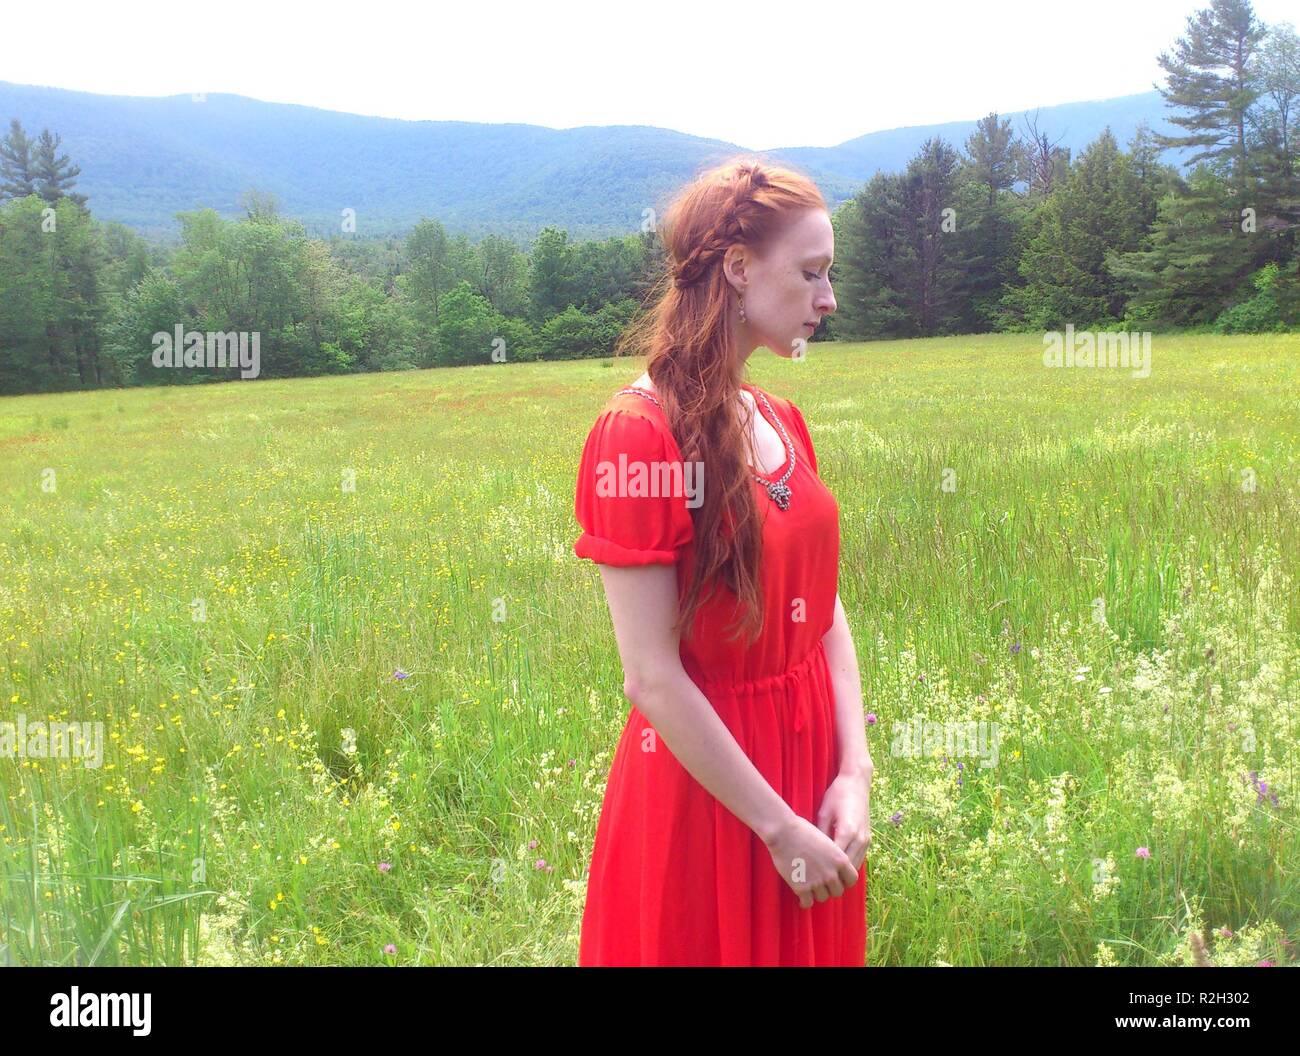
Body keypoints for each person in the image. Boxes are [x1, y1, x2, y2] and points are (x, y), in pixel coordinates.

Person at [572, 156, 872, 966]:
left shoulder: (782, 418)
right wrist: (777, 828)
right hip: (716, 799)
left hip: (810, 779)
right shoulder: (638, 436)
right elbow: (651, 677)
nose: (828, 299)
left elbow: (823, 610)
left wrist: (855, 769)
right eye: (811, 273)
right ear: (738, 269)